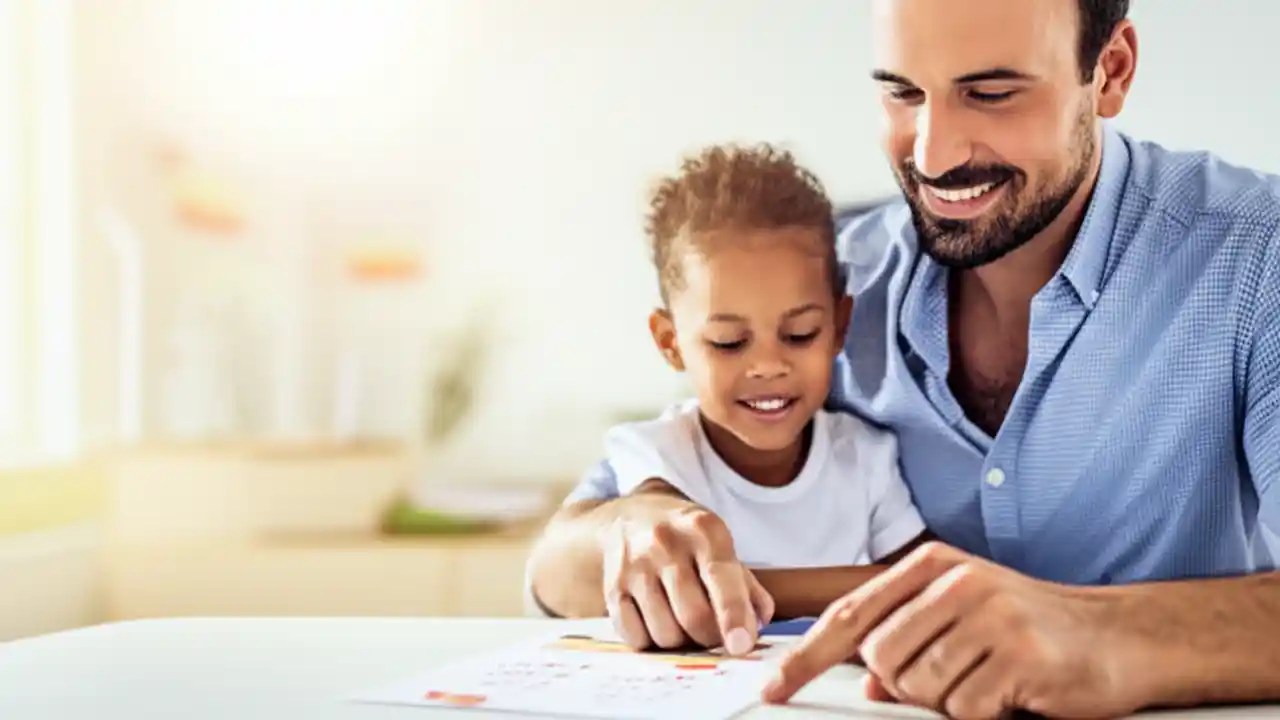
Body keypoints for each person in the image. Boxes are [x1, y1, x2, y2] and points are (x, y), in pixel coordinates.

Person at [527, 0, 1280, 717]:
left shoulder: (1255, 260)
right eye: (902, 92)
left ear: (1109, 71)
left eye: (989, 93)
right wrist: (636, 531)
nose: (934, 153)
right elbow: (558, 566)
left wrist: (1100, 633)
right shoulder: (823, 290)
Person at [597, 144, 929, 654]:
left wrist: (739, 586)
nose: (769, 366)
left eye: (799, 334)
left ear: (839, 326)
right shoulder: (655, 453)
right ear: (670, 342)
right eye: (729, 343)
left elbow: (924, 585)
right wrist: (853, 586)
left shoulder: (865, 455)